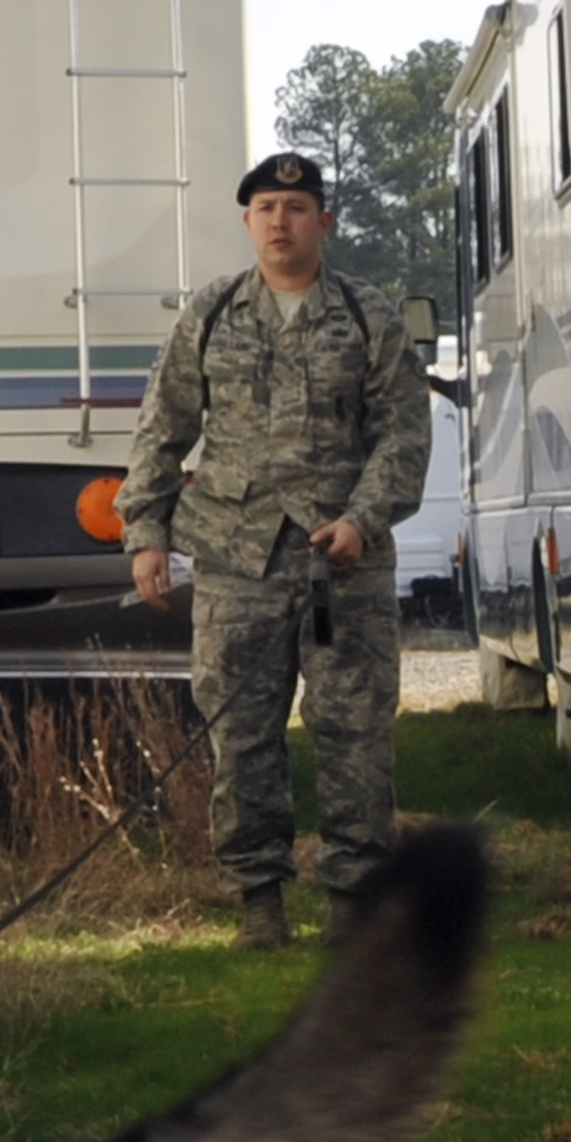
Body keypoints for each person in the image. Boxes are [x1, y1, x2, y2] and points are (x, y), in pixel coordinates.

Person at [120, 152, 435, 947]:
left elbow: (404, 433)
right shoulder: (213, 314)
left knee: (355, 732)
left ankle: (354, 905)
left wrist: (362, 519)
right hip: (238, 563)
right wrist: (147, 533)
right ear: (247, 221)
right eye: (265, 208)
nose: (280, 222)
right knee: (241, 734)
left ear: (324, 221)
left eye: (296, 207)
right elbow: (163, 429)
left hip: (343, 566)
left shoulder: (367, 317)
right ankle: (260, 904)